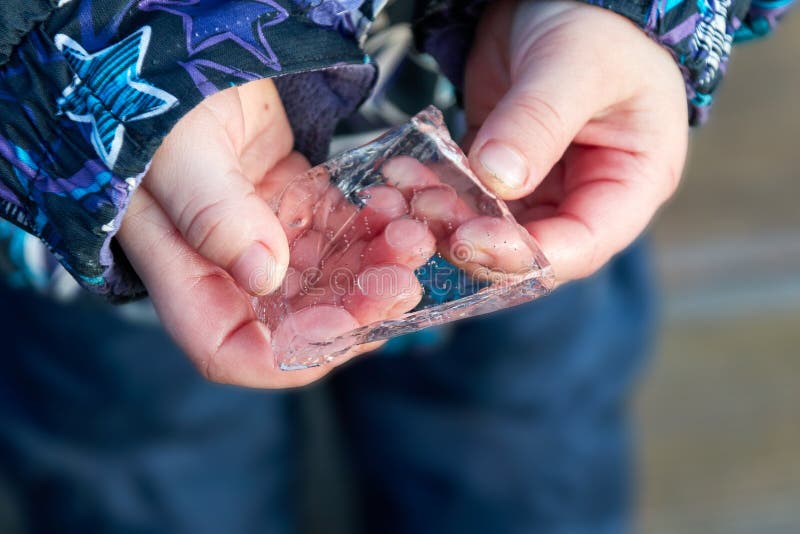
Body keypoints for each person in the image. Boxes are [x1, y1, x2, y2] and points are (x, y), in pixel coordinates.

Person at [0, 0, 792, 532]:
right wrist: (105, 73)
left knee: (517, 442)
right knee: (141, 462)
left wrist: (625, 14)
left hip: (508, 143)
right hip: (88, 214)